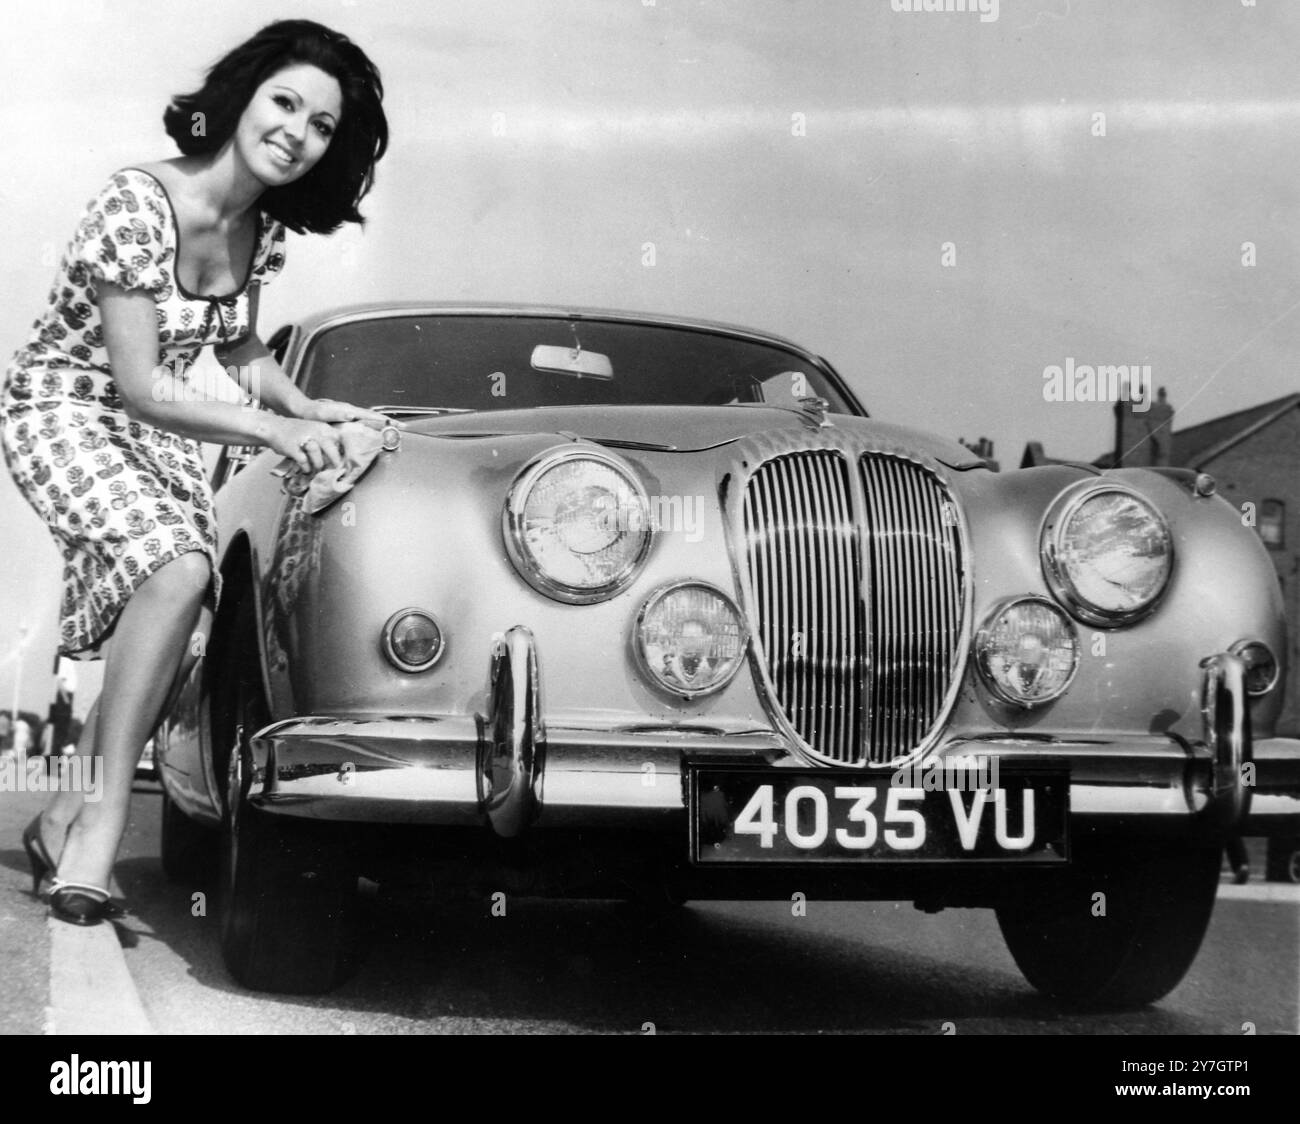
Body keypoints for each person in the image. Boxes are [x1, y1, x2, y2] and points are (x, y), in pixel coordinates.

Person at [1, 20, 390, 925]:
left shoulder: (263, 232)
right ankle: (98, 826)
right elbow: (137, 386)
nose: (296, 131)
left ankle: (59, 815)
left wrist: (301, 407)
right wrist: (269, 430)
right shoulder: (136, 205)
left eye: (322, 125)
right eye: (285, 102)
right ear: (243, 97)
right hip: (70, 406)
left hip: (163, 424)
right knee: (174, 567)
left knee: (187, 608)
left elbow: (239, 342)